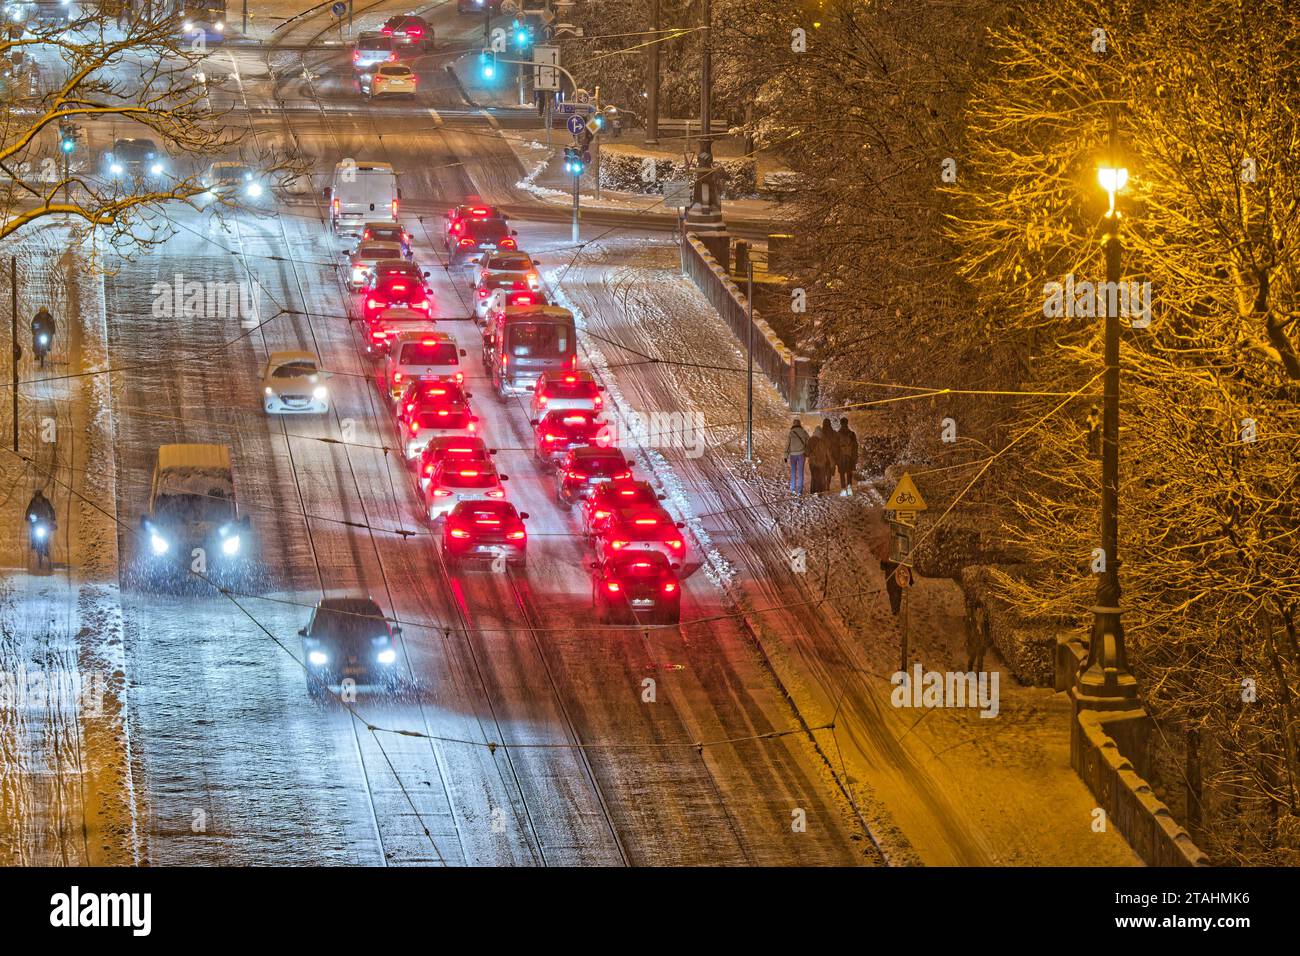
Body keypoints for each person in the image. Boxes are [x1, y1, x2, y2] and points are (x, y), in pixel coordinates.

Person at [809, 422, 836, 495]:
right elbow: (828, 452)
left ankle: (813, 491)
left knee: (814, 477)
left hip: (812, 462)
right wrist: (832, 462)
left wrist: (810, 455)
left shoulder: (810, 440)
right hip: (822, 462)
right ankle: (821, 491)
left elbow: (806, 452)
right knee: (821, 477)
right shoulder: (824, 441)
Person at [784, 418, 809, 495]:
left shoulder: (791, 433)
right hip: (801, 454)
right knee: (801, 472)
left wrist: (785, 456)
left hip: (793, 455)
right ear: (799, 424)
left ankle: (792, 488)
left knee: (793, 471)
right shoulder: (804, 432)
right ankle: (800, 490)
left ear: (793, 424)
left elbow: (787, 445)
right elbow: (808, 442)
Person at [835, 417, 858, 495]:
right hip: (850, 456)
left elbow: (835, 447)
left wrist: (836, 458)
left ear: (841, 423)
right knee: (849, 472)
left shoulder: (837, 434)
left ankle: (843, 489)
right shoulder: (852, 434)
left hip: (841, 456)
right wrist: (855, 457)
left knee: (842, 473)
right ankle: (849, 489)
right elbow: (855, 446)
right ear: (847, 423)